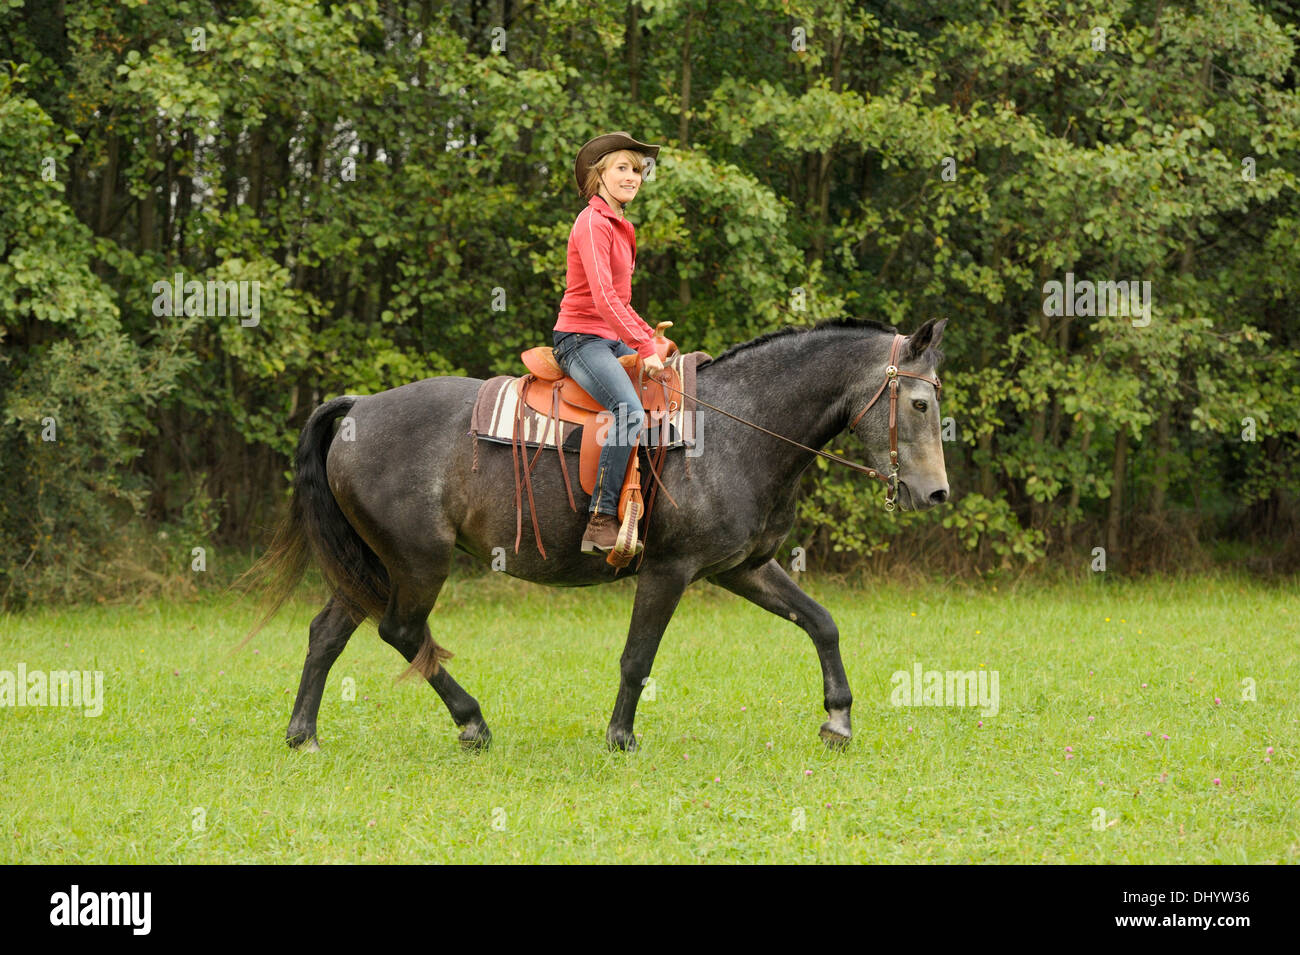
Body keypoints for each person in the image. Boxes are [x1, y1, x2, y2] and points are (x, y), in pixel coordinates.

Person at [552, 131, 666, 555]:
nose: (633, 177)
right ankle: (599, 520)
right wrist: (643, 346)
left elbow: (622, 303)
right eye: (623, 168)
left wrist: (650, 341)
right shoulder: (592, 222)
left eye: (637, 171)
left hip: (610, 339)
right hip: (579, 339)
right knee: (628, 410)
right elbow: (602, 299)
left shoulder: (624, 227)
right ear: (598, 175)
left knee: (669, 391)